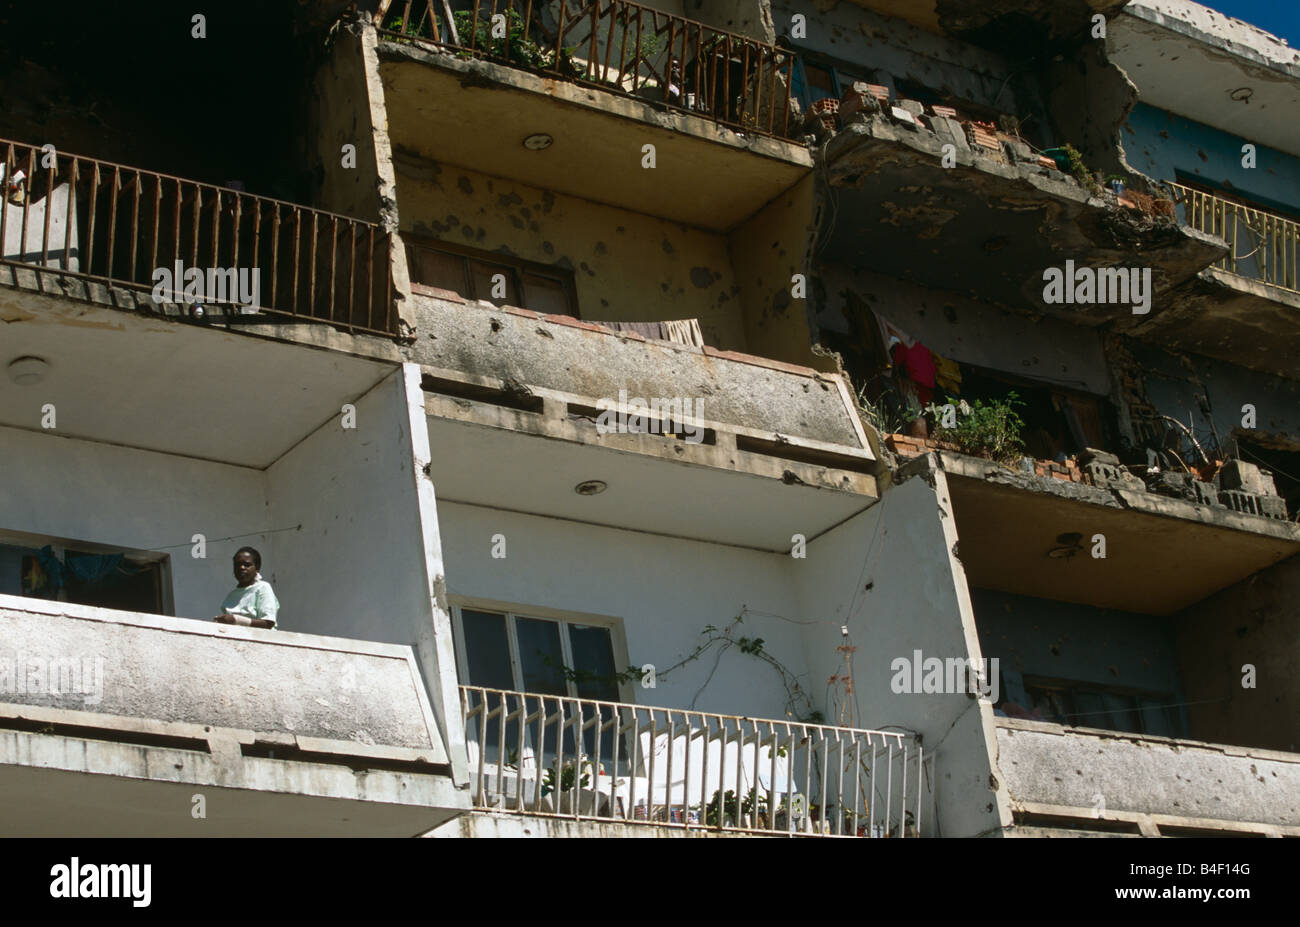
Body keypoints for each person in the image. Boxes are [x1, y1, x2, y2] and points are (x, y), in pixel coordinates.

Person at [213, 547, 279, 629]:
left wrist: (237, 620)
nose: (242, 567)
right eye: (237, 565)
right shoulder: (231, 596)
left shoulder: (262, 588)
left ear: (257, 567)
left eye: (247, 565)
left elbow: (268, 623)